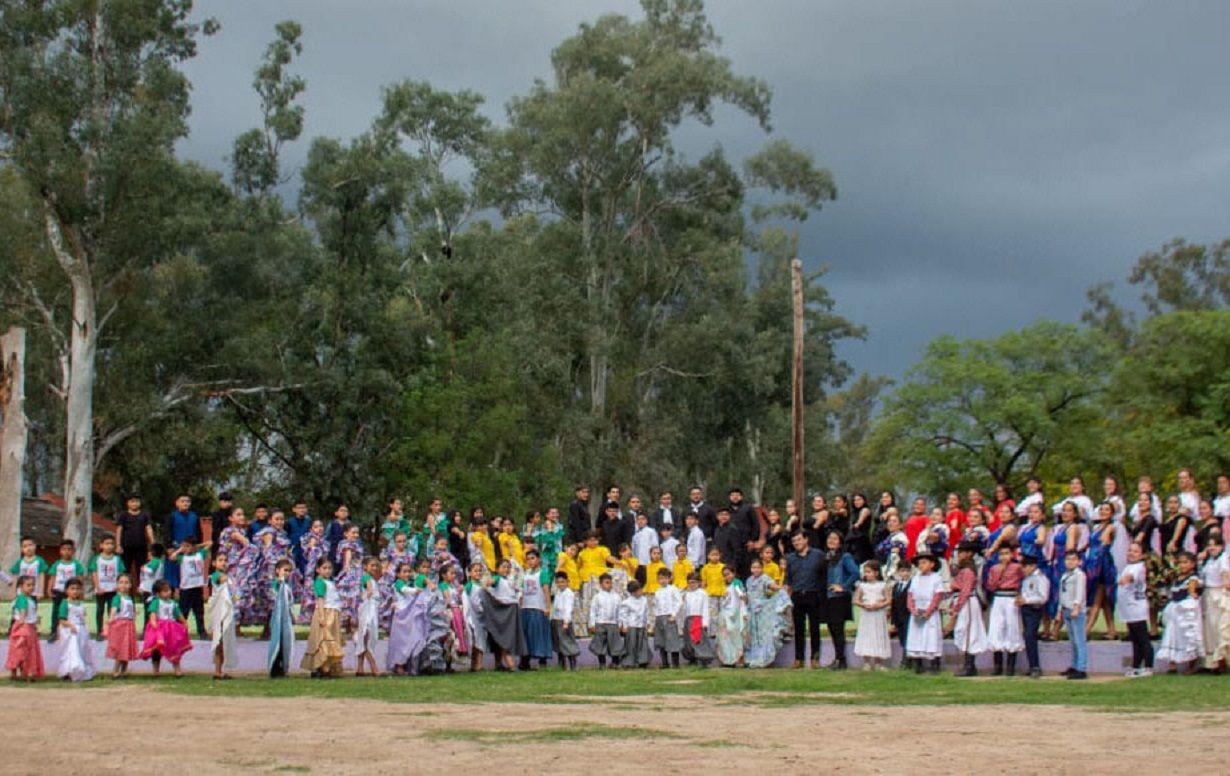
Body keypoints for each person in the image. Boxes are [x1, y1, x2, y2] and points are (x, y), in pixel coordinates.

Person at [1156, 551, 1204, 673]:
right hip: (1175, 611)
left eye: (1185, 562)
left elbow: (1192, 589)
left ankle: (1191, 665)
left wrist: (1192, 593)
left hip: (1187, 612)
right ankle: (1173, 663)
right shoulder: (1177, 578)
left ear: (1192, 564)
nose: (1182, 565)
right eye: (1180, 563)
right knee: (1172, 636)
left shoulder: (1192, 578)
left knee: (1188, 636)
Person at [784, 531, 824, 669]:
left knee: (814, 628)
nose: (796, 543)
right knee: (799, 629)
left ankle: (815, 658)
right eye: (794, 541)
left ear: (806, 540)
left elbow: (823, 575)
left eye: (799, 540)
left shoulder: (818, 555)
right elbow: (788, 579)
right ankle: (798, 659)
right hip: (797, 595)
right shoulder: (790, 558)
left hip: (813, 594)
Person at [947, 542, 987, 677]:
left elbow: (966, 590)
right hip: (962, 600)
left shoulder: (969, 570)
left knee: (969, 632)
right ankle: (969, 665)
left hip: (968, 601)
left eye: (962, 552)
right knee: (963, 631)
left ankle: (969, 665)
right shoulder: (962, 569)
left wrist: (957, 607)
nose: (959, 555)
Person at [820, 530, 858, 670]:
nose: (831, 540)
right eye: (829, 538)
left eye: (835, 538)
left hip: (839, 598)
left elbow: (856, 572)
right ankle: (837, 658)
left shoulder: (845, 557)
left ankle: (842, 660)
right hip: (828, 597)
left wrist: (843, 586)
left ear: (840, 542)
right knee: (831, 627)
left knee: (838, 628)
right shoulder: (826, 557)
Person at [301, 558, 344, 678]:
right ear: (318, 570)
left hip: (333, 612)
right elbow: (320, 600)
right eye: (324, 568)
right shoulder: (320, 582)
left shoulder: (330, 582)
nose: (328, 571)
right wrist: (321, 616)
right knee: (323, 640)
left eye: (330, 568)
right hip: (325, 612)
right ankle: (322, 666)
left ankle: (329, 667)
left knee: (332, 638)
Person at [1117, 541, 1154, 677]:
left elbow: (1131, 578)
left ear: (1142, 555)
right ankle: (1136, 666)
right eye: (1130, 550)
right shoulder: (1128, 566)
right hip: (1128, 609)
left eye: (1135, 551)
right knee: (1135, 640)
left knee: (1142, 639)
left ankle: (1149, 666)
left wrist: (1123, 580)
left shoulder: (1139, 567)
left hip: (1136, 608)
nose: (1131, 553)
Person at [986, 544, 1024, 676]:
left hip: (1011, 598)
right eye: (1001, 554)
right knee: (996, 628)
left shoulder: (1017, 567)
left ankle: (1010, 666)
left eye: (1007, 553)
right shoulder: (994, 568)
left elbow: (1022, 581)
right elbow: (990, 586)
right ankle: (997, 665)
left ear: (1012, 554)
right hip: (998, 597)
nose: (1004, 556)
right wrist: (999, 573)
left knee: (1012, 628)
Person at [140, 580, 191, 677]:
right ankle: (156, 670)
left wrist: (184, 622)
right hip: (159, 629)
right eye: (165, 591)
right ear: (158, 593)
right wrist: (154, 623)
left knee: (174, 648)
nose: (168, 592)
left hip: (171, 629)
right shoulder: (156, 602)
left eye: (168, 590)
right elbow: (153, 614)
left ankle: (177, 670)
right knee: (157, 650)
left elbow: (178, 614)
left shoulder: (173, 603)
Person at [1084, 503, 1119, 640]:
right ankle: (1112, 630)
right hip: (1093, 563)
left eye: (1107, 510)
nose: (1103, 512)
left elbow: (1104, 541)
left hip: (1103, 565)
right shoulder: (1096, 526)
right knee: (1104, 601)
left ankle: (1086, 629)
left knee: (1097, 599)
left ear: (1111, 513)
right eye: (1102, 509)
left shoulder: (1111, 527)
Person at [905, 553, 944, 673]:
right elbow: (910, 595)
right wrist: (912, 608)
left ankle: (934, 664)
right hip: (917, 610)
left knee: (931, 635)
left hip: (929, 611)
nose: (921, 565)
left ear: (932, 564)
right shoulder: (915, 578)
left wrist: (929, 611)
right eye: (919, 563)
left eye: (924, 562)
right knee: (917, 636)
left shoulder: (936, 578)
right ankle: (918, 664)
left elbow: (937, 596)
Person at [853, 560, 892, 671]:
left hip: (878, 614)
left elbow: (889, 600)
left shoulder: (883, 585)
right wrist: (864, 605)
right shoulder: (862, 586)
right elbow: (856, 600)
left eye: (869, 572)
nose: (867, 574)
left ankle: (879, 662)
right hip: (866, 614)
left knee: (878, 634)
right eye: (865, 572)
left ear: (876, 573)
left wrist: (880, 605)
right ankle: (866, 662)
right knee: (866, 635)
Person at [55, 578, 96, 682]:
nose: (75, 591)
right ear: (67, 590)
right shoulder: (65, 603)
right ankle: (68, 672)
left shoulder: (81, 603)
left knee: (82, 650)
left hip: (81, 630)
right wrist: (71, 625)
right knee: (71, 651)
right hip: (70, 632)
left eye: (78, 589)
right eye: (72, 589)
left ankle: (83, 673)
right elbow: (61, 620)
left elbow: (82, 617)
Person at [206, 552, 239, 681]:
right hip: (219, 612)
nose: (224, 562)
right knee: (219, 642)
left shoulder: (228, 577)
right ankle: (218, 670)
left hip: (226, 612)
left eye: (225, 560)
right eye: (220, 560)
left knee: (225, 642)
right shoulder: (215, 576)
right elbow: (223, 580)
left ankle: (221, 670)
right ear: (214, 563)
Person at [1197, 536, 1228, 673]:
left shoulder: (1223, 558)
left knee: (1220, 628)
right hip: (1208, 594)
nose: (1211, 548)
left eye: (1214, 545)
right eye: (1209, 545)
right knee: (1209, 630)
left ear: (1221, 546)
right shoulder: (1209, 561)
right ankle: (1212, 663)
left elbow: (1225, 574)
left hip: (1219, 594)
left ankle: (1222, 660)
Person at [519, 549, 553, 670]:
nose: (530, 561)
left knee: (539, 633)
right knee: (526, 634)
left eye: (533, 558)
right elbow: (522, 591)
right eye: (528, 559)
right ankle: (525, 661)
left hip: (538, 607)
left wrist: (548, 607)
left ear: (538, 559)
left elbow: (546, 590)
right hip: (526, 608)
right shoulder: (525, 573)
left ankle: (542, 660)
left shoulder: (543, 573)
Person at [6, 575, 44, 682]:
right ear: (21, 587)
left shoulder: (29, 599)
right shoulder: (22, 599)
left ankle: (20, 673)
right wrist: (23, 629)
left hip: (29, 627)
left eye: (33, 585)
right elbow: (23, 614)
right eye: (28, 585)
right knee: (23, 651)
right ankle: (23, 673)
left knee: (21, 651)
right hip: (24, 627)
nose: (31, 587)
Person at [169, 538, 208, 639]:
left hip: (197, 587)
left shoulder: (199, 555)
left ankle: (202, 632)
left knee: (199, 612)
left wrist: (196, 546)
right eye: (183, 546)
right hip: (186, 589)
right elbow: (172, 557)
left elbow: (209, 544)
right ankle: (179, 632)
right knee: (183, 612)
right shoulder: (182, 557)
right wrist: (180, 550)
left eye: (187, 546)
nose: (185, 548)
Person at [1018, 554, 1050, 678]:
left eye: (1025, 567)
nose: (1023, 570)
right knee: (1027, 637)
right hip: (1025, 609)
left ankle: (1035, 666)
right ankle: (1031, 665)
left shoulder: (1040, 579)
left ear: (1033, 566)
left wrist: (1026, 600)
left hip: (1034, 609)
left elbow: (1043, 598)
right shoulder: (1027, 578)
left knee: (1030, 635)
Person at [162, 494, 201, 591]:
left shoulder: (194, 516)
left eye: (188, 501)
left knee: (189, 575)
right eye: (183, 501)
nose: (185, 503)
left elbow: (199, 533)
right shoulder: (172, 516)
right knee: (172, 577)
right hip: (176, 550)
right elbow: (167, 532)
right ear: (177, 503)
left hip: (191, 552)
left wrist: (197, 546)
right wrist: (169, 547)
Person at [47, 539, 84, 639]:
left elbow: (80, 579)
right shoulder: (57, 564)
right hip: (58, 591)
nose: (66, 551)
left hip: (71, 593)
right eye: (64, 549)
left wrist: (81, 591)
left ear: (73, 551)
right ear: (60, 551)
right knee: (56, 612)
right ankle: (54, 632)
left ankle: (69, 630)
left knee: (71, 611)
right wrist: (49, 589)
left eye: (69, 549)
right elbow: (52, 577)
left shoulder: (76, 564)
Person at [105, 573, 139, 679]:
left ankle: (123, 671)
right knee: (121, 649)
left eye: (126, 582)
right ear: (117, 585)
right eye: (121, 582)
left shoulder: (130, 598)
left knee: (127, 649)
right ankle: (115, 671)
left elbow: (132, 611)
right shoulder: (117, 597)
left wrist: (134, 617)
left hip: (129, 625)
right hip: (121, 626)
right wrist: (111, 619)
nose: (123, 585)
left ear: (130, 585)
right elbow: (114, 609)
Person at [115, 494, 153, 589]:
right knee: (125, 569)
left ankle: (142, 589)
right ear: (127, 503)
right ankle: (125, 589)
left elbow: (148, 528)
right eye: (132, 501)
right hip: (126, 546)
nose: (134, 503)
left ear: (140, 503)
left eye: (136, 501)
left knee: (141, 569)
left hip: (141, 546)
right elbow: (119, 529)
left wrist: (153, 544)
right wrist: (118, 545)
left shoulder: (144, 515)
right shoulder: (123, 515)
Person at [587, 573, 623, 669]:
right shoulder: (597, 597)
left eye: (610, 583)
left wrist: (620, 624)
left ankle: (615, 663)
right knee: (600, 644)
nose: (609, 585)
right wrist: (592, 624)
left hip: (613, 623)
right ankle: (602, 663)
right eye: (606, 583)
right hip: (601, 623)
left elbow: (620, 611)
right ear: (601, 584)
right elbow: (593, 611)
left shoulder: (616, 597)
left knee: (615, 644)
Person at [714, 566, 747, 667]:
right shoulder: (725, 587)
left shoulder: (737, 583)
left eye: (728, 574)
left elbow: (739, 593)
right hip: (726, 614)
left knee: (736, 635)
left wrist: (742, 596)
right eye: (724, 575)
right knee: (725, 637)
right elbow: (724, 601)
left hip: (736, 614)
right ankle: (728, 659)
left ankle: (738, 659)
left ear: (733, 573)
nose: (727, 577)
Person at [354, 557, 382, 677]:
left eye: (376, 565)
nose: (374, 568)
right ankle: (373, 665)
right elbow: (369, 587)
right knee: (367, 636)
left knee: (364, 638)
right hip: (368, 610)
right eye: (372, 565)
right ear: (365, 567)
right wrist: (369, 592)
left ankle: (360, 668)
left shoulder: (373, 579)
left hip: (372, 608)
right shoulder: (367, 578)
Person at [268, 559, 296, 678]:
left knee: (286, 643)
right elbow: (276, 587)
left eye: (289, 571)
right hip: (277, 618)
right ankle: (274, 669)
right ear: (277, 571)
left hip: (286, 618)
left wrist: (292, 615)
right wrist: (280, 579)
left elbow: (289, 603)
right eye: (285, 570)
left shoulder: (288, 586)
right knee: (277, 642)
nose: (287, 573)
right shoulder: (277, 583)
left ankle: (283, 668)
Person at [298, 519, 330, 625]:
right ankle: (310, 617)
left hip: (323, 569)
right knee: (312, 593)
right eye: (316, 526)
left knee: (321, 593)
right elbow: (311, 554)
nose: (319, 528)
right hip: (313, 570)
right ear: (311, 529)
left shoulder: (324, 540)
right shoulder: (312, 538)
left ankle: (320, 616)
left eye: (321, 526)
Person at [335, 523, 366, 630]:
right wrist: (347, 569)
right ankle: (349, 622)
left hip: (358, 571)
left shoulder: (356, 544)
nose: (356, 535)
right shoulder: (347, 544)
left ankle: (350, 623)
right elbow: (347, 558)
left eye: (357, 533)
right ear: (346, 534)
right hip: (352, 573)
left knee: (353, 597)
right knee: (351, 597)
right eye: (353, 533)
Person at [681, 572, 716, 667]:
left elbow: (705, 608)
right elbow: (683, 609)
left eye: (694, 582)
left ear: (699, 583)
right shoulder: (686, 594)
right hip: (688, 619)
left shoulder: (703, 593)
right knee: (688, 641)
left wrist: (705, 622)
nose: (692, 585)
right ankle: (692, 658)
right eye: (690, 582)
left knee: (698, 640)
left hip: (698, 619)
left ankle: (704, 658)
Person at [652, 567, 684, 668]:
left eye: (665, 578)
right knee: (661, 640)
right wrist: (655, 619)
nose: (662, 580)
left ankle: (675, 663)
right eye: (660, 578)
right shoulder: (657, 591)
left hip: (669, 617)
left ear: (669, 578)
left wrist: (674, 614)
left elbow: (679, 602)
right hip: (659, 617)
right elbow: (655, 606)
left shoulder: (673, 589)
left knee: (672, 639)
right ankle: (665, 663)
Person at [619, 580, 652, 668]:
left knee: (643, 643)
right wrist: (624, 626)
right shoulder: (627, 602)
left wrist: (647, 622)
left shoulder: (644, 600)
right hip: (632, 626)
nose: (640, 592)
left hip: (641, 625)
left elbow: (647, 612)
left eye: (641, 590)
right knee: (631, 644)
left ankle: (643, 661)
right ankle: (628, 662)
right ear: (633, 592)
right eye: (638, 590)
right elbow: (623, 615)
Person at [550, 571, 580, 670]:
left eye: (563, 582)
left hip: (564, 621)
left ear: (567, 582)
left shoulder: (568, 594)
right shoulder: (558, 592)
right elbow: (554, 607)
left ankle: (572, 663)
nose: (560, 584)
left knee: (567, 642)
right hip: (556, 620)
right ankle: (562, 663)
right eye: (558, 582)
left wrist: (566, 622)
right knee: (559, 643)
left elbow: (568, 608)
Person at [728, 488, 759, 577]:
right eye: (732, 495)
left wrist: (752, 540)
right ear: (729, 497)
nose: (735, 497)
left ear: (741, 497)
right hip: (732, 547)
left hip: (746, 545)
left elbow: (756, 525)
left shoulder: (748, 508)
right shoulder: (727, 510)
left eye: (737, 495)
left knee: (747, 570)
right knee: (732, 569)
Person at [889, 562, 913, 667]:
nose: (905, 573)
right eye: (903, 571)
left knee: (908, 637)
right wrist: (893, 619)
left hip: (908, 615)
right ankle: (906, 658)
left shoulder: (913, 584)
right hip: (899, 616)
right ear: (898, 572)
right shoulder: (896, 586)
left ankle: (906, 660)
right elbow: (893, 603)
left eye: (907, 571)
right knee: (902, 637)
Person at [286, 501, 312, 573]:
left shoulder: (308, 521)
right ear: (294, 509)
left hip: (305, 550)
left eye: (304, 507)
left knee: (305, 569)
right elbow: (286, 536)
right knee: (292, 569)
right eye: (299, 508)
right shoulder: (289, 522)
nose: (302, 510)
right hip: (293, 549)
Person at [208, 492, 235, 559]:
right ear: (220, 502)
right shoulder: (217, 514)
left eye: (229, 501)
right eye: (225, 501)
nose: (228, 503)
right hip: (219, 544)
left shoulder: (233, 514)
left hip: (232, 545)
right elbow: (216, 531)